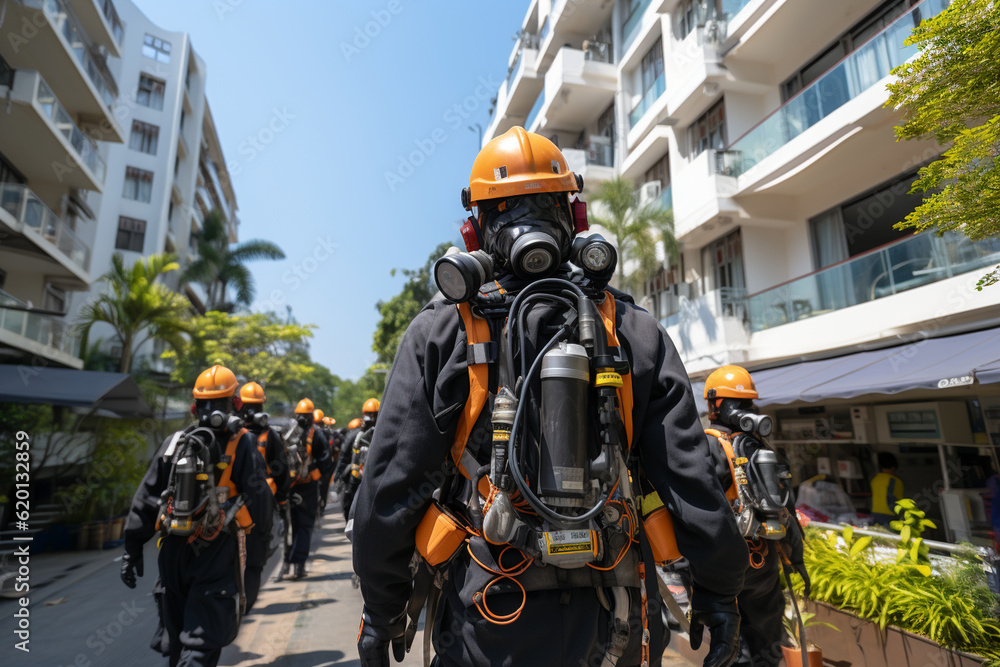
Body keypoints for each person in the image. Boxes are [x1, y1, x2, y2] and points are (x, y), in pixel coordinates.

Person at [352, 127, 746, 667]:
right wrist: (720, 594)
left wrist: (381, 608)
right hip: (617, 613)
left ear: (474, 229)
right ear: (576, 218)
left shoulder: (443, 332)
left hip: (492, 611)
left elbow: (391, 486)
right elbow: (689, 478)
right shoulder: (632, 328)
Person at [120, 365, 273, 667]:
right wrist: (256, 558)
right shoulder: (242, 443)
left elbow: (147, 497)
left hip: (172, 555)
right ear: (237, 404)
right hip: (215, 553)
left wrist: (132, 550)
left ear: (194, 406)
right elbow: (260, 504)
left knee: (177, 641)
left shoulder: (176, 442)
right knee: (201, 641)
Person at [702, 365, 808, 667]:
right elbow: (788, 507)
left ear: (714, 404)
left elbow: (698, 512)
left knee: (732, 648)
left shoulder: (708, 447)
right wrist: (796, 559)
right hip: (766, 561)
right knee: (767, 641)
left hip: (727, 567)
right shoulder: (763, 446)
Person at [237, 381, 290, 610]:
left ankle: (244, 605)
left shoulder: (270, 436)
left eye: (257, 407)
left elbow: (281, 469)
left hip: (259, 502)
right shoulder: (231, 434)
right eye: (249, 406)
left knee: (255, 555)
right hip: (239, 504)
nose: (253, 413)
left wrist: (282, 497)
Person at [276, 398, 334, 581]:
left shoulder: (287, 432)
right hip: (303, 487)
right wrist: (312, 476)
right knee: (302, 527)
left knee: (291, 526)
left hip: (291, 487)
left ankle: (289, 564)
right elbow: (326, 463)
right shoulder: (313, 434)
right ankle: (296, 565)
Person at [339, 399, 379, 524]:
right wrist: (339, 476)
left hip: (375, 481)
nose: (370, 418)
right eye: (368, 414)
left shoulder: (384, 434)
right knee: (349, 505)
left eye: (374, 414)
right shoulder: (355, 435)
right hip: (355, 479)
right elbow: (344, 456)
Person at [871, 452, 904, 527]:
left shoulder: (875, 479)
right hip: (890, 515)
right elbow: (900, 502)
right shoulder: (896, 481)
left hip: (875, 513)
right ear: (894, 467)